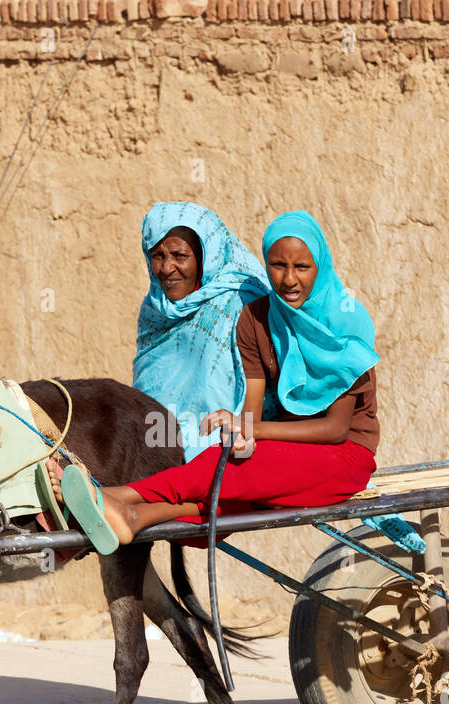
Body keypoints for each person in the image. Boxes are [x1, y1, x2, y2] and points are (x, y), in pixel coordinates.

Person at [52, 210, 380, 553]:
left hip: (344, 456)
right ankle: (134, 516)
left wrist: (252, 429)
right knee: (228, 485)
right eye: (277, 265)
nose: (289, 280)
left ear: (321, 267)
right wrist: (241, 430)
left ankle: (108, 496)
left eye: (302, 267)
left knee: (234, 470)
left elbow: (335, 430)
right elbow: (252, 419)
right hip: (292, 451)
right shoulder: (255, 319)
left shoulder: (345, 323)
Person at [131, 201, 271, 461]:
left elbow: (256, 402)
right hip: (153, 436)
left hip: (223, 440)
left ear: (206, 257)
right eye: (157, 255)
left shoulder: (240, 303)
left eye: (180, 256)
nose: (166, 268)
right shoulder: (154, 308)